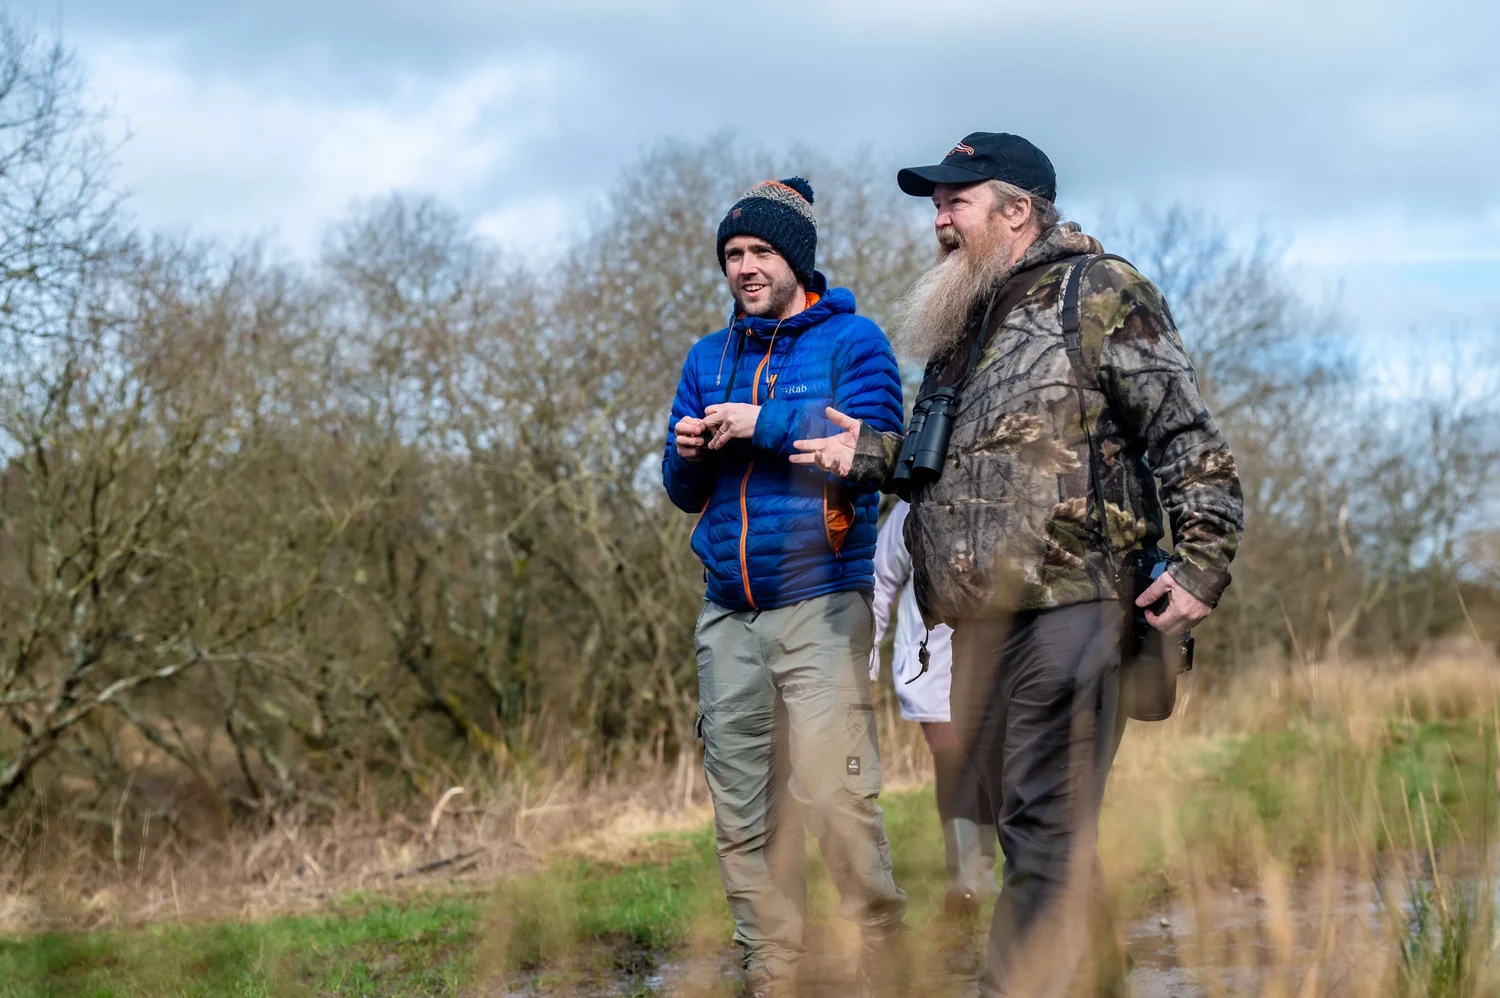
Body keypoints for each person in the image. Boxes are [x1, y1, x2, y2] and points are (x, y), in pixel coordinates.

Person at [791, 133, 1245, 996]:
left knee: (1040, 820)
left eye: (954, 200)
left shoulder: (1098, 290)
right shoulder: (962, 328)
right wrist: (875, 453)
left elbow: (1186, 434)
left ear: (1016, 211)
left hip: (1074, 602)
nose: (938, 219)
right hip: (973, 621)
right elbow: (959, 463)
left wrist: (1199, 565)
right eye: (935, 203)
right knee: (1032, 828)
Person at [662, 177, 908, 997]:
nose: (744, 267)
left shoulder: (855, 343)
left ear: (795, 259)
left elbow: (881, 450)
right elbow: (681, 490)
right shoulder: (708, 356)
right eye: (732, 255)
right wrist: (692, 449)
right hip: (726, 611)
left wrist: (758, 425)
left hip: (822, 599)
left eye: (760, 251)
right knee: (744, 807)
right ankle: (774, 970)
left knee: (834, 792)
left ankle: (880, 946)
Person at [869, 499, 995, 916]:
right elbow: (882, 578)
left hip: (992, 649)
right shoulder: (912, 502)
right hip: (929, 654)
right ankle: (967, 879)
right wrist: (867, 654)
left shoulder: (1000, 482)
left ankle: (993, 868)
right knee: (952, 758)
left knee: (991, 758)